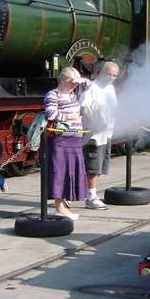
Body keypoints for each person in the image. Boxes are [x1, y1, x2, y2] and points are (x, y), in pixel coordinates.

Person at [44, 67, 90, 220]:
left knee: (71, 172)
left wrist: (81, 80)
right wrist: (69, 116)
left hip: (75, 139)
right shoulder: (53, 95)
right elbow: (50, 113)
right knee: (60, 173)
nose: (75, 85)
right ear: (63, 80)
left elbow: (89, 85)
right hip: (61, 140)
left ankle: (64, 205)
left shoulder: (73, 93)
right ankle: (60, 207)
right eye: (71, 81)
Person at [80, 61, 119, 210]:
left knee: (99, 167)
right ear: (100, 72)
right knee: (92, 167)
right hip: (93, 134)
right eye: (108, 74)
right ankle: (91, 198)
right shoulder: (91, 88)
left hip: (106, 133)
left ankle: (89, 193)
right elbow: (83, 107)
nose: (111, 78)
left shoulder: (110, 88)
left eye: (114, 75)